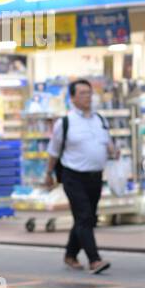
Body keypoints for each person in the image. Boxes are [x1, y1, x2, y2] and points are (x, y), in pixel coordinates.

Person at [44, 79, 117, 274]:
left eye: (89, 93)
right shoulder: (65, 123)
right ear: (73, 98)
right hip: (73, 176)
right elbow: (53, 151)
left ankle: (70, 254)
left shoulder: (100, 119)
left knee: (87, 218)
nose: (87, 97)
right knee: (84, 216)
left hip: (95, 177)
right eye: (82, 93)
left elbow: (107, 143)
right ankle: (95, 260)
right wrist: (48, 174)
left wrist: (113, 151)